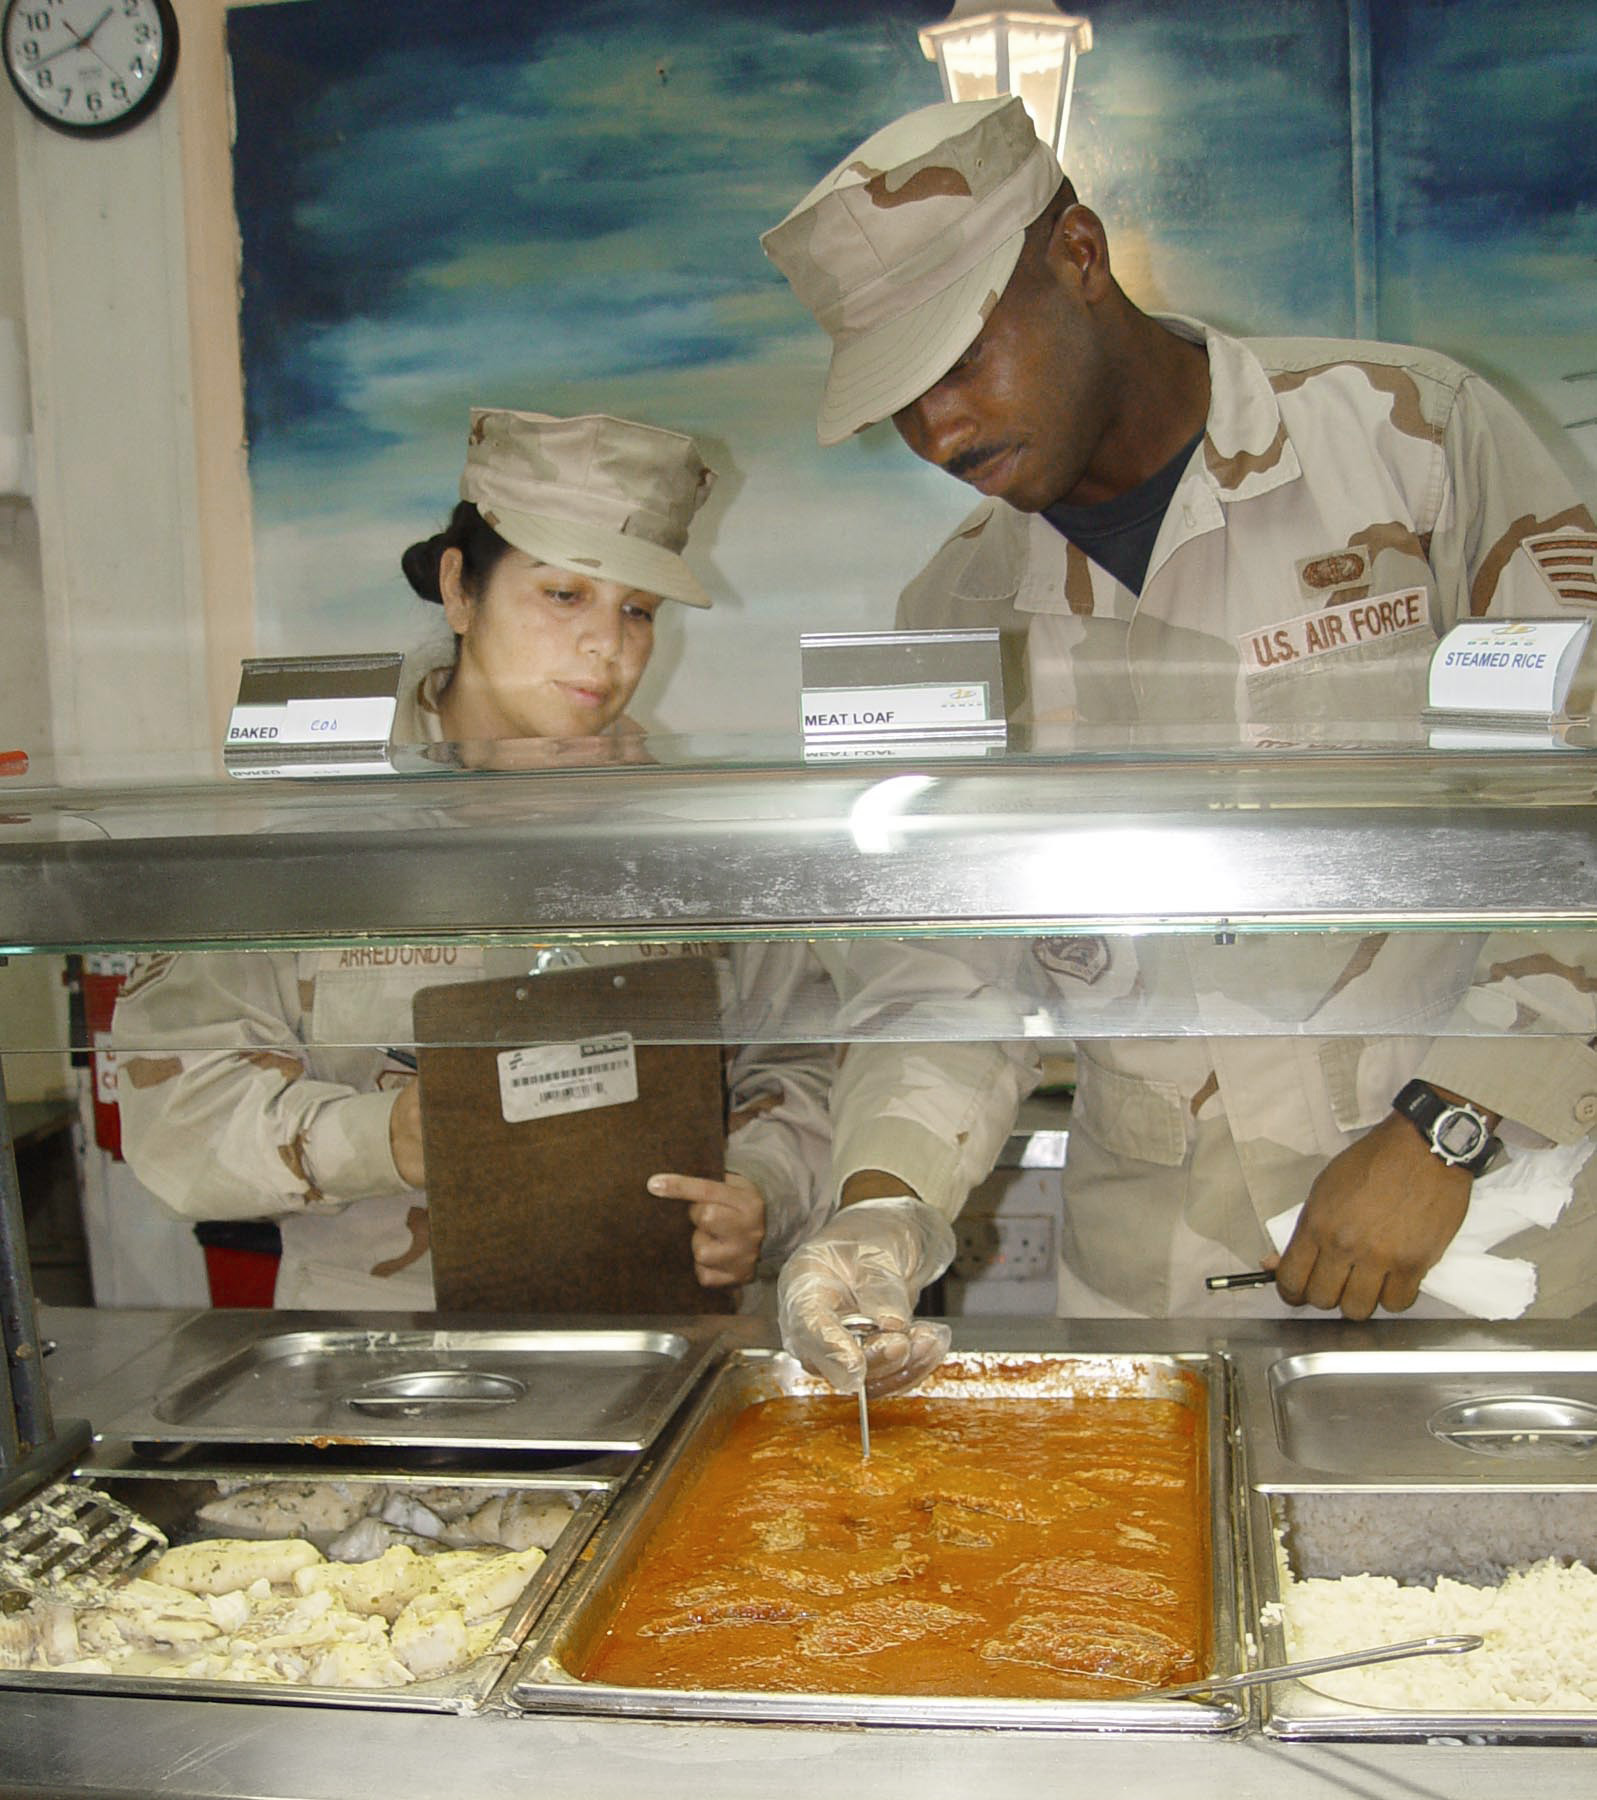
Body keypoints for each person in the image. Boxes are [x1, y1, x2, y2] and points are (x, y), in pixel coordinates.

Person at [759, 96, 1597, 1394]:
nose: (934, 432)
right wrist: (882, 1205)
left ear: (1079, 256)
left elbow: (1586, 803)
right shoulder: (955, 612)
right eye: (896, 401)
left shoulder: (1408, 442)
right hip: (1163, 1276)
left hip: (1486, 1226)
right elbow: (941, 975)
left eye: (958, 360)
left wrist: (1454, 1124)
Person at [113, 408, 834, 1309]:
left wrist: (762, 1190)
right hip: (382, 1363)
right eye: (564, 595)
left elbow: (808, 1063)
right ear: (460, 589)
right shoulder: (299, 831)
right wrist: (388, 1139)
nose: (607, 649)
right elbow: (173, 1111)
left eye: (637, 612)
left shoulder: (698, 843)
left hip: (667, 1349)